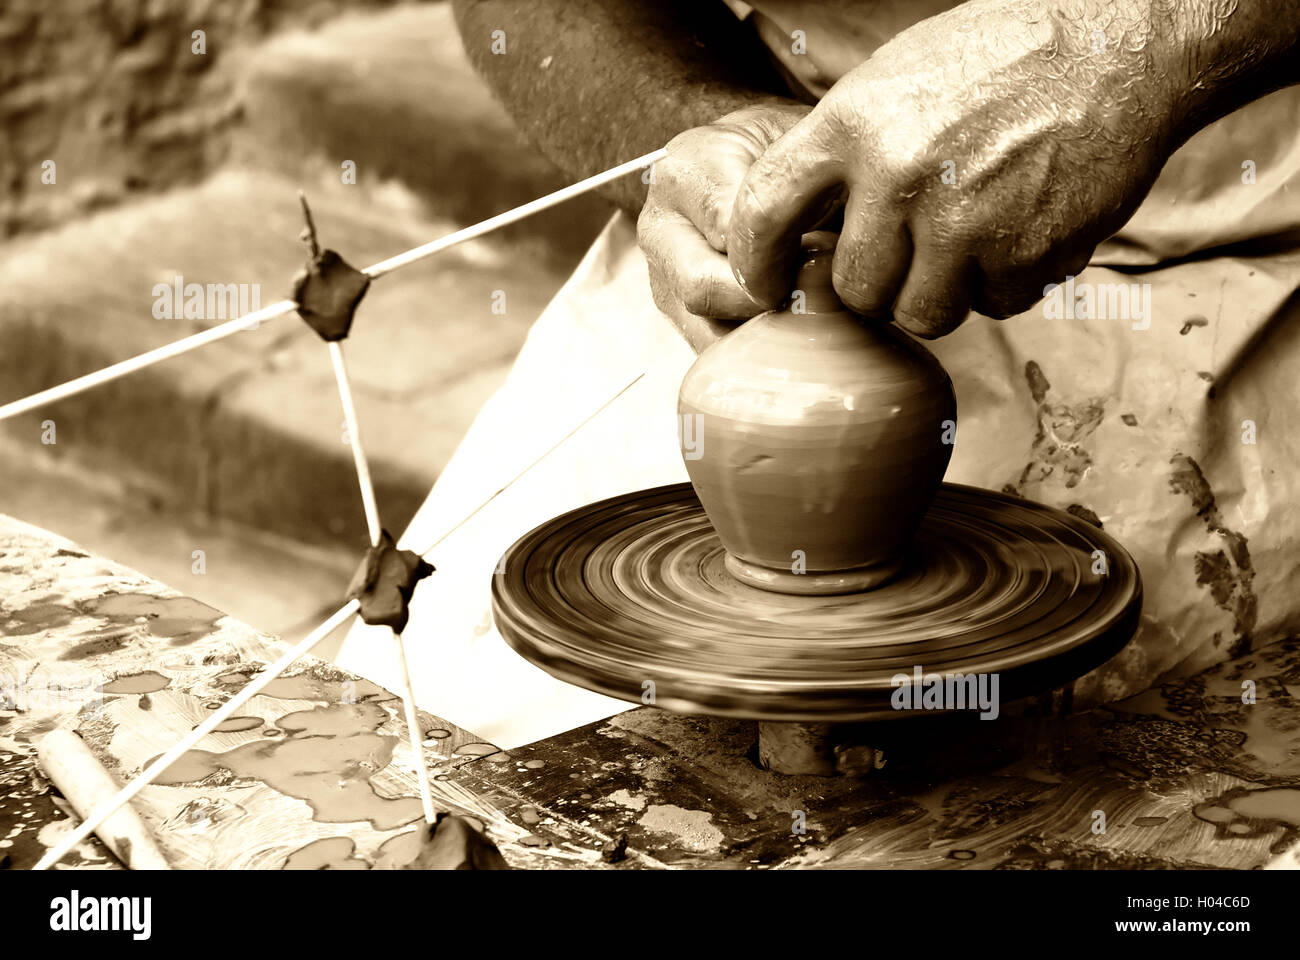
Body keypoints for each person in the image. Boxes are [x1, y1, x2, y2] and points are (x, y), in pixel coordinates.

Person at [336, 1, 1300, 745]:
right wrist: (700, 128)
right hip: (751, 230)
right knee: (420, 738)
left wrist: (1136, 41)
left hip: (1249, 238)